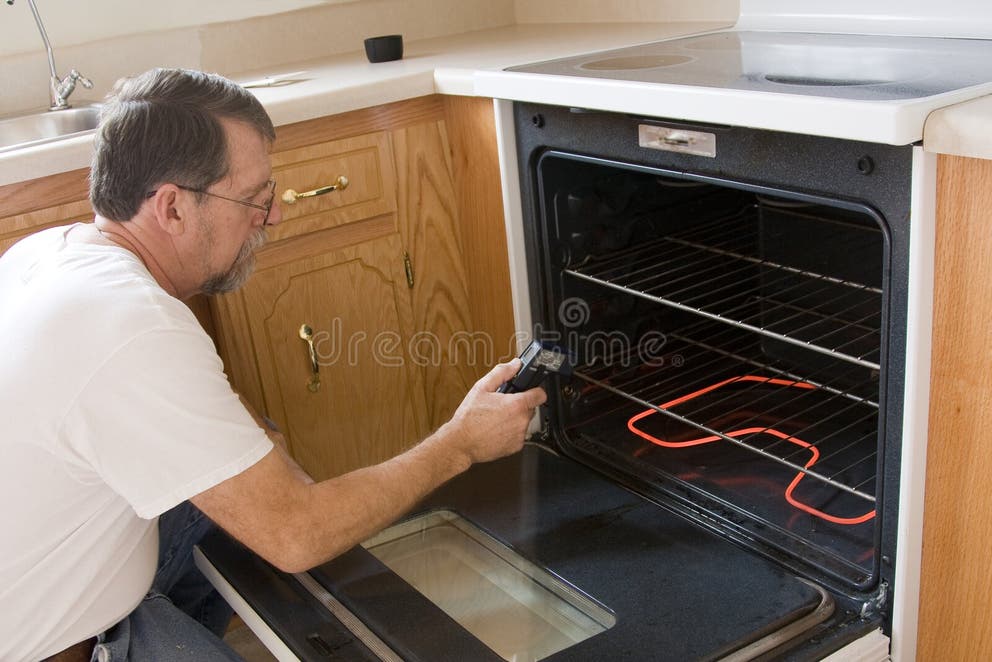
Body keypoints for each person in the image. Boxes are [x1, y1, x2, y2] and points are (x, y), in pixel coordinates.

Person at [0, 67, 546, 662]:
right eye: (254, 200)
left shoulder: (50, 254)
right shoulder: (133, 324)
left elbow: (211, 418)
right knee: (279, 515)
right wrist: (459, 444)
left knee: (246, 462)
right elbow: (297, 536)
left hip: (56, 583)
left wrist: (275, 475)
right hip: (53, 645)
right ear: (172, 208)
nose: (274, 216)